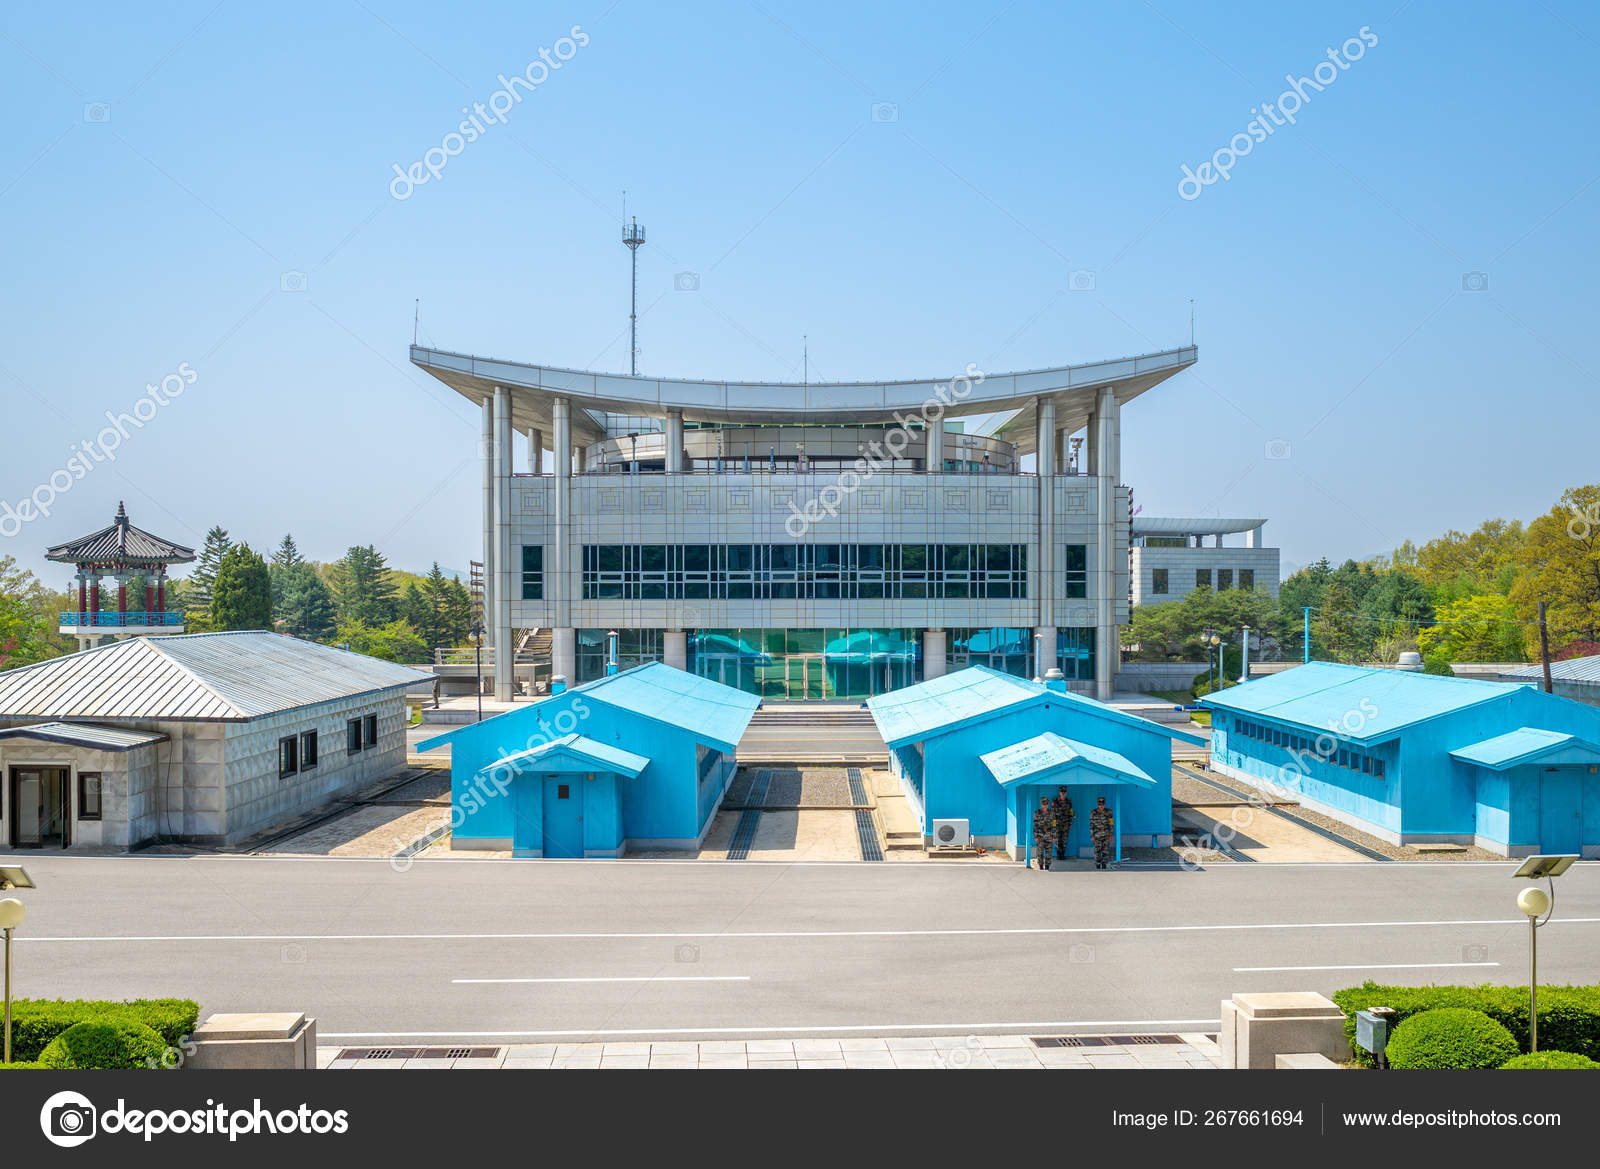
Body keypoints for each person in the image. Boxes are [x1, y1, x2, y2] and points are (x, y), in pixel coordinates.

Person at [1089, 796, 1114, 869]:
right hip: (1097, 835)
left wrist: (1111, 835)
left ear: (1104, 804)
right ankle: (1097, 864)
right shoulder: (1093, 812)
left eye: (1102, 804)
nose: (1101, 806)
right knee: (1097, 851)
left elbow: (1111, 824)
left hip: (1106, 834)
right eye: (1100, 804)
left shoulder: (1109, 812)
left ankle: (1104, 865)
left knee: (1105, 851)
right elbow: (1091, 825)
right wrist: (1092, 836)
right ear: (1097, 804)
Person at [1051, 786, 1075, 861]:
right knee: (1057, 840)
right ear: (1059, 792)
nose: (1063, 794)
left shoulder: (1068, 801)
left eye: (1064, 792)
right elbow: (1052, 814)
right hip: (1057, 824)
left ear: (1066, 793)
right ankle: (1058, 854)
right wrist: (1053, 824)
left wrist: (1070, 823)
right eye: (1061, 792)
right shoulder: (1055, 801)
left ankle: (1063, 854)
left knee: (1064, 840)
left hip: (1066, 824)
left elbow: (1071, 813)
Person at [1032, 796, 1056, 870]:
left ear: (1048, 804)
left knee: (1048, 853)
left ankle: (1047, 866)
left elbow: (1054, 825)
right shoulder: (1037, 813)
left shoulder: (1052, 813)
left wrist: (1054, 836)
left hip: (1049, 836)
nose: (1045, 805)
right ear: (1041, 804)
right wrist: (1036, 836)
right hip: (1040, 836)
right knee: (1040, 853)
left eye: (1046, 804)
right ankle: (1041, 866)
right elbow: (1035, 825)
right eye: (1043, 804)